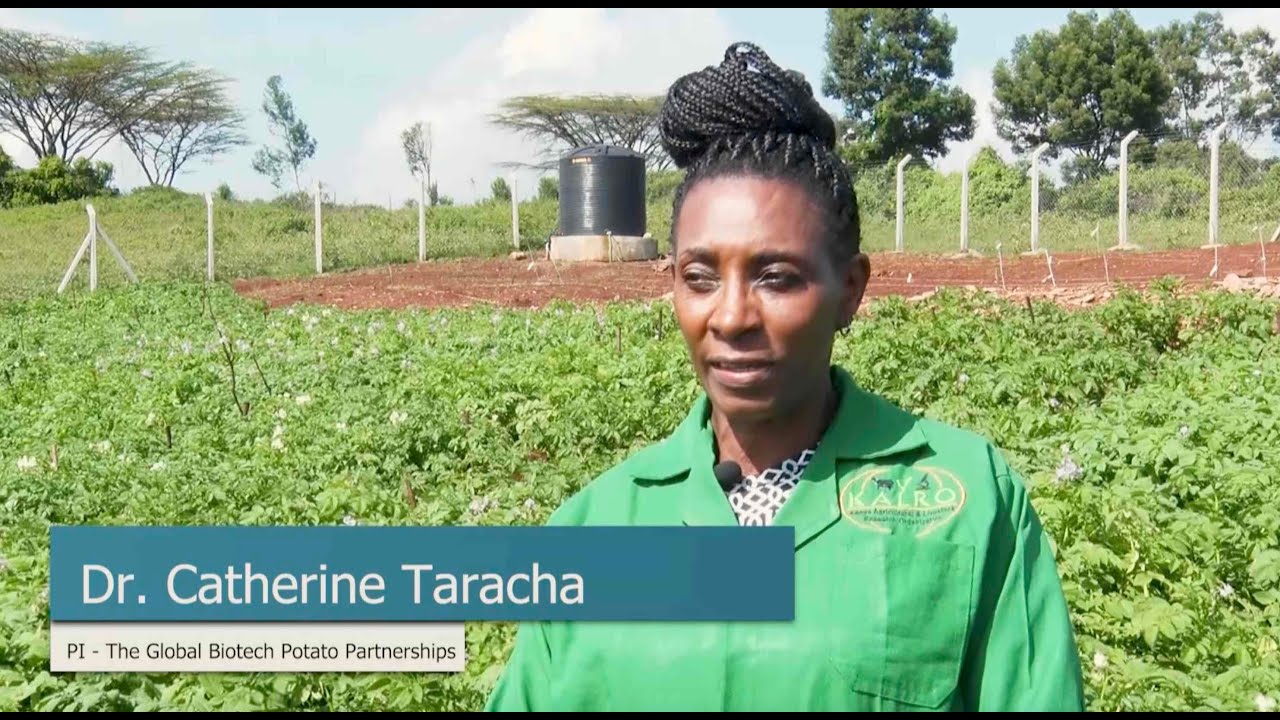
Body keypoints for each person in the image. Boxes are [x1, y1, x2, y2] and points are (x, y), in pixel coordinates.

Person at [484, 41, 1085, 712]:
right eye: (700, 277)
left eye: (777, 278)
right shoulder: (595, 529)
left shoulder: (969, 500)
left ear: (850, 290)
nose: (732, 316)